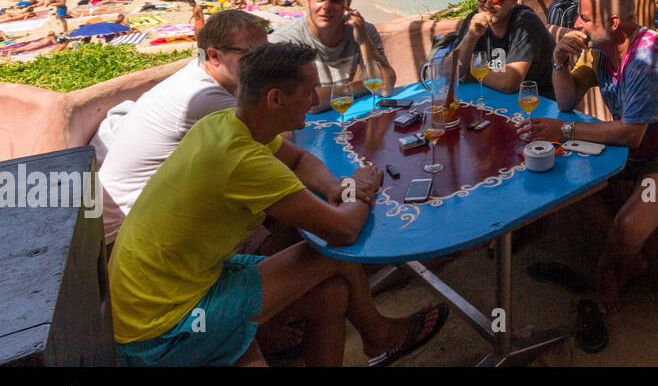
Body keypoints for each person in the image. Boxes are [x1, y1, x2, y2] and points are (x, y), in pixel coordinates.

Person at [108, 42, 448, 366]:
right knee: (328, 254)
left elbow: (299, 159)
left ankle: (379, 336)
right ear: (274, 98)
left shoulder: (225, 124)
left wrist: (334, 189)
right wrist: (362, 189)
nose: (315, 99)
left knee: (332, 294)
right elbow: (343, 231)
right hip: (161, 328)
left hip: (164, 290)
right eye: (308, 90)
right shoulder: (244, 160)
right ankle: (379, 335)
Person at [520, 0, 658, 313]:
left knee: (628, 226)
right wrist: (558, 58)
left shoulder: (645, 58)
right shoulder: (599, 51)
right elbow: (566, 100)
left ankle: (606, 270)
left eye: (584, 18)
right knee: (567, 186)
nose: (576, 25)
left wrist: (563, 131)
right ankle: (632, 262)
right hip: (633, 150)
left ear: (612, 23)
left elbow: (631, 135)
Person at [92, 9, 269, 242]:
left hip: (138, 215)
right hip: (127, 233)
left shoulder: (207, 74)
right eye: (254, 54)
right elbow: (272, 149)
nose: (265, 62)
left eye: (268, 51)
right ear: (214, 56)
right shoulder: (205, 96)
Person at [269, 0, 395, 111]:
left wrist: (364, 41)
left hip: (346, 117)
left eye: (335, 0)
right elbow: (309, 102)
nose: (326, 7)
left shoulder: (363, 31)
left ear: (348, 2)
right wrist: (364, 85)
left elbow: (385, 88)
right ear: (308, 0)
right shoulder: (285, 41)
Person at [451, 0, 556, 100]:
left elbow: (509, 83)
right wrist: (471, 36)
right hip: (493, 97)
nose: (487, 4)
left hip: (540, 104)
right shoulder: (474, 20)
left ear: (513, 1)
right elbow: (449, 72)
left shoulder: (526, 23)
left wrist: (473, 73)